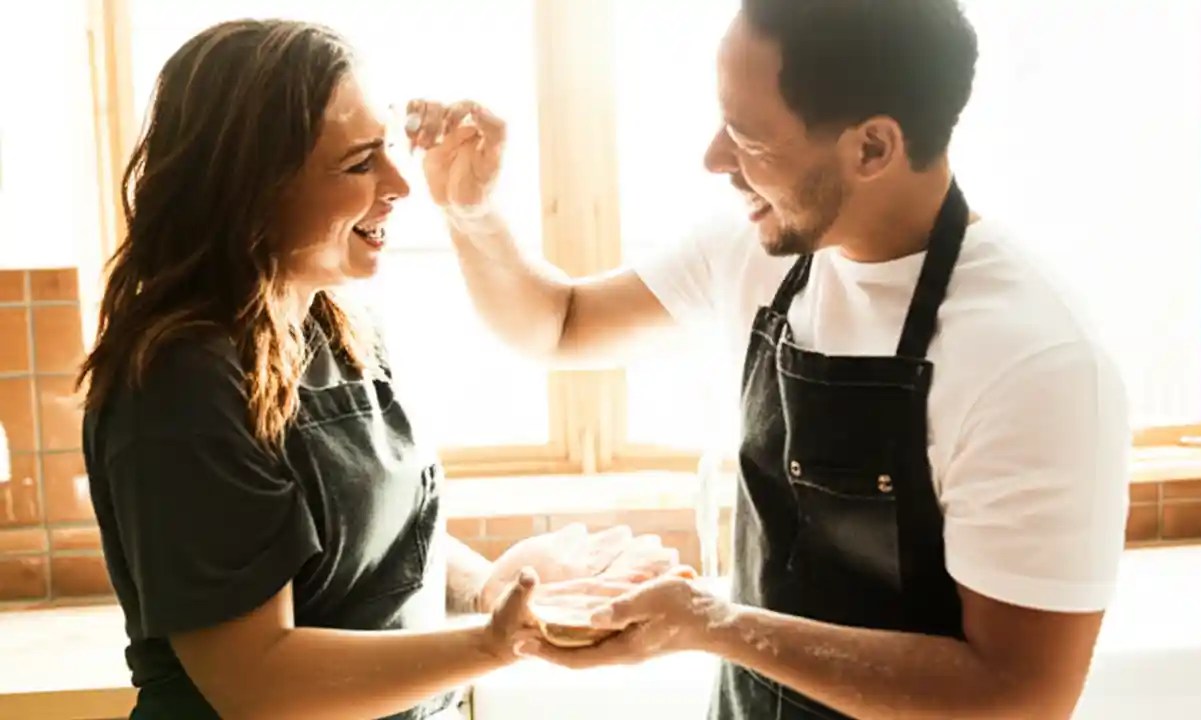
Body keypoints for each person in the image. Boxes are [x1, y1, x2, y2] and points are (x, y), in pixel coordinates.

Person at [406, 0, 1130, 718]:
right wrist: (471, 214)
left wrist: (711, 624)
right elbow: (559, 326)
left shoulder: (1034, 359)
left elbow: (1018, 698)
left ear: (872, 148)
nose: (714, 159)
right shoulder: (756, 249)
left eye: (748, 139)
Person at [78, 19, 678, 720]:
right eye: (360, 163)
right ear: (252, 185)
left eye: (388, 148)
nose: (399, 184)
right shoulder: (183, 382)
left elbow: (366, 540)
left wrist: (492, 586)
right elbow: (256, 681)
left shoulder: (332, 324)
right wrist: (492, 644)